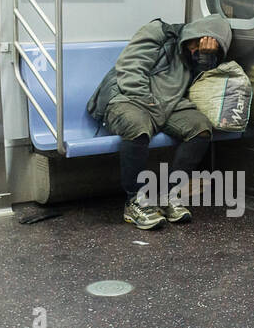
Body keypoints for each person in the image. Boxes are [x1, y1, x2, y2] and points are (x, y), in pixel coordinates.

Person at [86, 14, 233, 229]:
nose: (195, 49)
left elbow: (199, 86)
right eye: (196, 43)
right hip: (126, 97)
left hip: (168, 103)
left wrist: (204, 57)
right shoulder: (158, 33)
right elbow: (130, 71)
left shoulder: (196, 56)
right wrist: (152, 109)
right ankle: (134, 202)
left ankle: (168, 196)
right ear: (192, 33)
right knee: (138, 126)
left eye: (204, 47)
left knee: (200, 128)